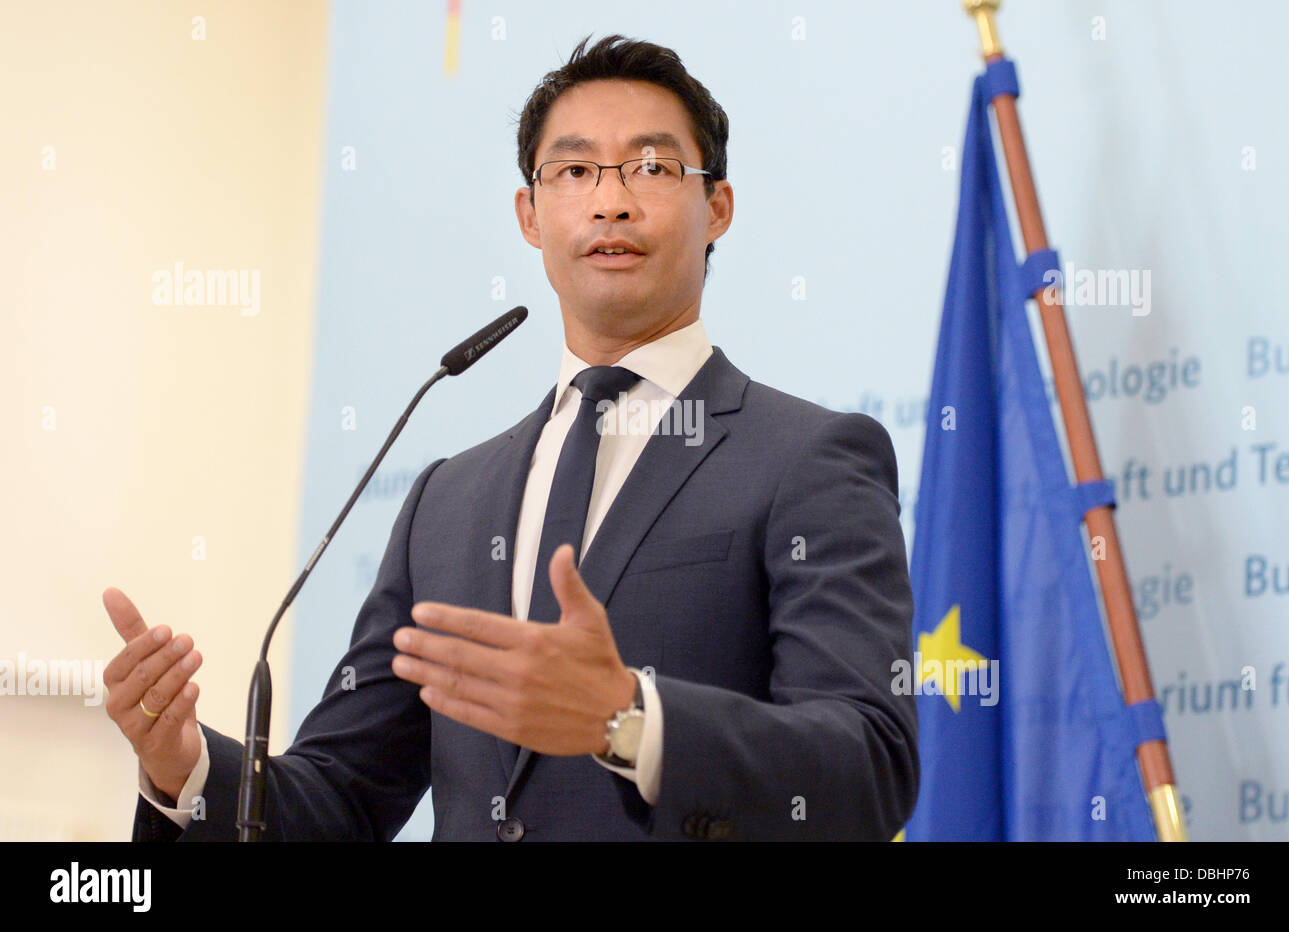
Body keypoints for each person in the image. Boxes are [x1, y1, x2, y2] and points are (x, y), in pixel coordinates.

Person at [104, 34, 918, 841]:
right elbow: (343, 798)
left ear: (719, 208)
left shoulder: (810, 458)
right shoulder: (447, 501)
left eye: (653, 167)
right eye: (574, 171)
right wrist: (185, 768)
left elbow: (868, 765)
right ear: (530, 215)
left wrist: (628, 720)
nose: (611, 202)